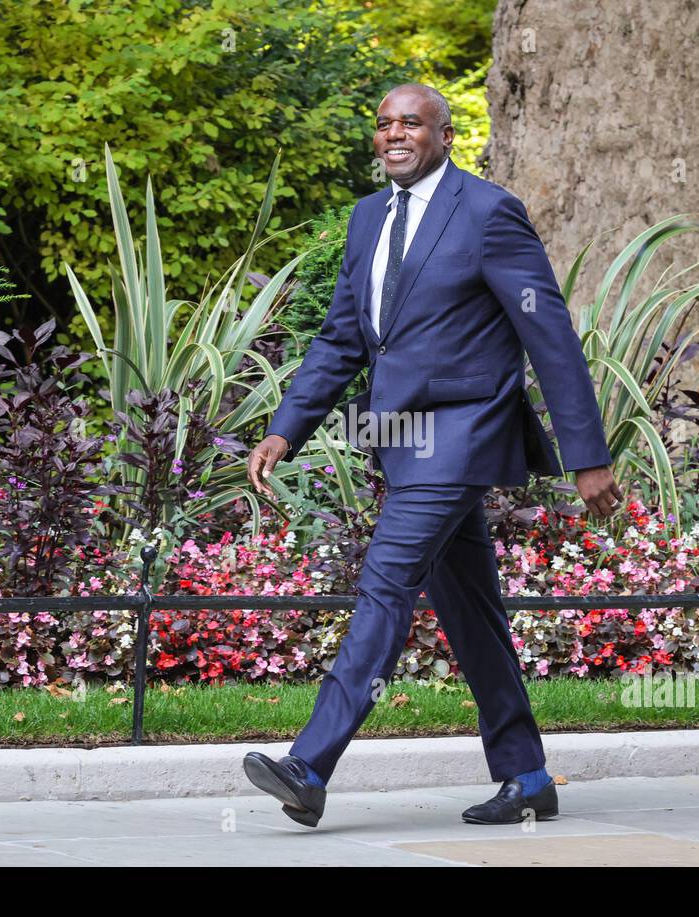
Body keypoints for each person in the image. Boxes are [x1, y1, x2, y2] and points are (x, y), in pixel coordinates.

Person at [243, 83, 622, 827]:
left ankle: (309, 765)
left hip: (463, 439)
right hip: (402, 447)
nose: (394, 133)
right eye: (384, 123)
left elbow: (549, 335)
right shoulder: (366, 219)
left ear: (445, 136)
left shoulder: (488, 212)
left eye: (411, 122)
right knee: (473, 613)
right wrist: (287, 427)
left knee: (384, 586)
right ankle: (527, 775)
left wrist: (587, 455)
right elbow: (342, 340)